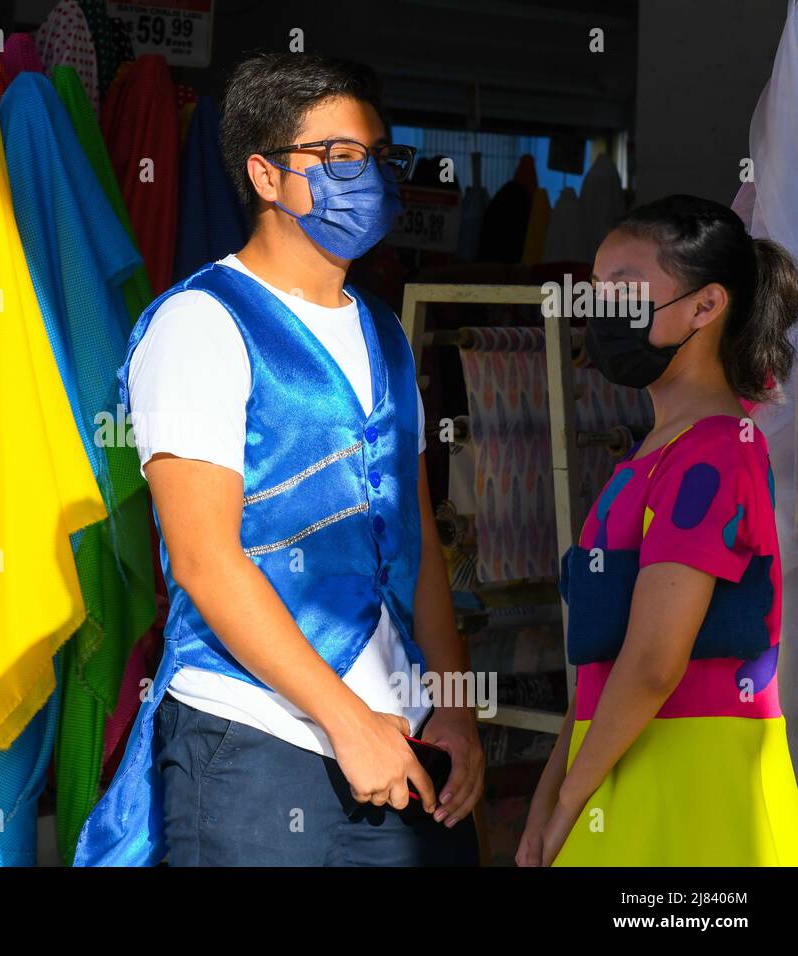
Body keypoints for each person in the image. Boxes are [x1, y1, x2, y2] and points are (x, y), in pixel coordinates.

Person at [74, 52, 483, 867]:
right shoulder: (200, 323)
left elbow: (417, 541)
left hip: (408, 748)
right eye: (338, 157)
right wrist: (347, 721)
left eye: (378, 157)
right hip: (255, 747)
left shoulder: (387, 333)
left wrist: (456, 707)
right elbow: (204, 559)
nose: (367, 178)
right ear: (265, 174)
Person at [519, 195, 798, 866]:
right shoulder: (658, 454)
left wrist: (566, 804)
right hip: (629, 786)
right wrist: (549, 799)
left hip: (691, 800)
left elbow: (652, 663)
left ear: (705, 307)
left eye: (623, 291)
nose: (600, 310)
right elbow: (609, 663)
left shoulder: (714, 453)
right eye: (595, 290)